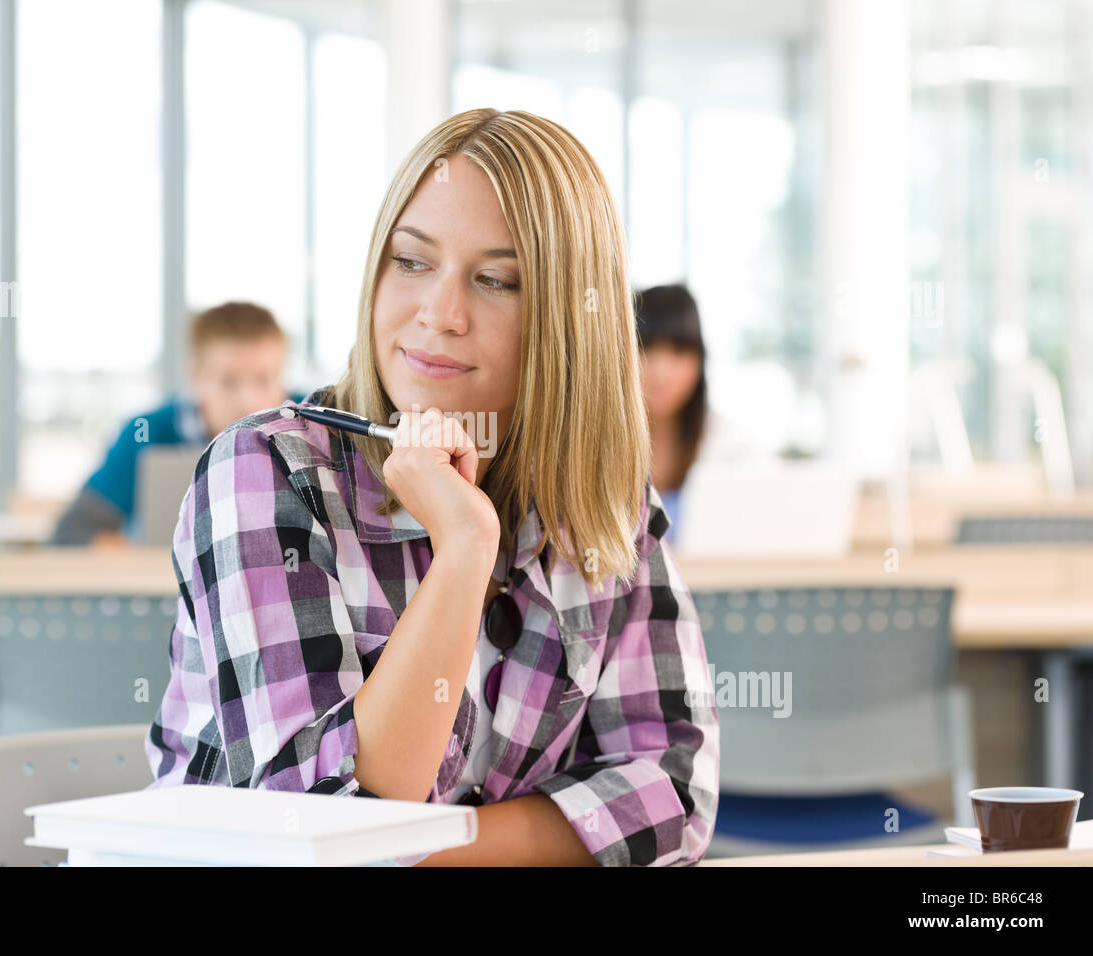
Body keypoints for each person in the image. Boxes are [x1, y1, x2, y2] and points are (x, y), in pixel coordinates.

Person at [146, 109, 718, 867]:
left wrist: (436, 852)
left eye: (496, 280)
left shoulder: (602, 505)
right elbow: (317, 825)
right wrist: (464, 552)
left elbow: (674, 796)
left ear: (570, 322)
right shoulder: (265, 473)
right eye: (412, 262)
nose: (439, 314)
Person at [48, 301, 290, 547]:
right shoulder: (144, 432)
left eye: (263, 379)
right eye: (229, 381)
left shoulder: (311, 425)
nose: (247, 400)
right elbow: (72, 532)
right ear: (195, 377)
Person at [635, 284, 708, 545]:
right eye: (646, 349)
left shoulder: (726, 443)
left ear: (700, 361)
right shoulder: (592, 444)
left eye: (678, 352)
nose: (660, 371)